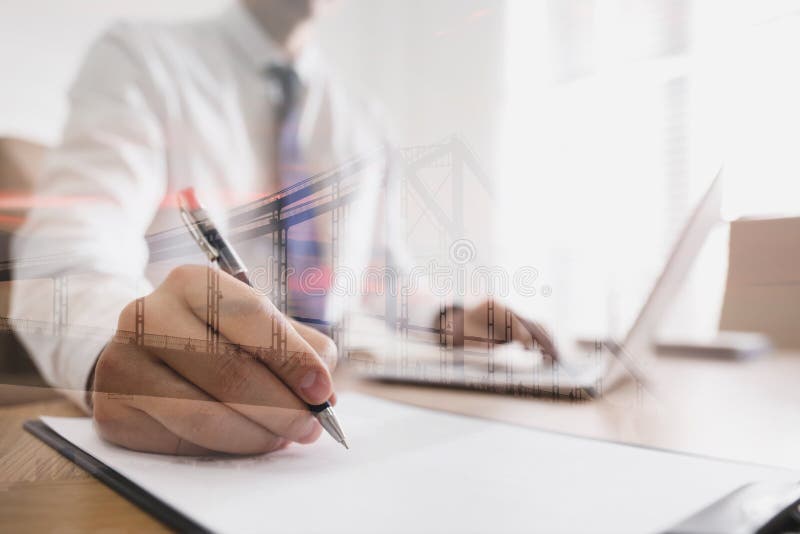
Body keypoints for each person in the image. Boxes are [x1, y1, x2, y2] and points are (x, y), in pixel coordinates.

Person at [11, 0, 552, 455]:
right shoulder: (141, 59)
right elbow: (69, 249)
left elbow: (382, 274)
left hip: (350, 388)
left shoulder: (365, 118)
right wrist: (114, 351)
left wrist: (447, 317)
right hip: (190, 410)